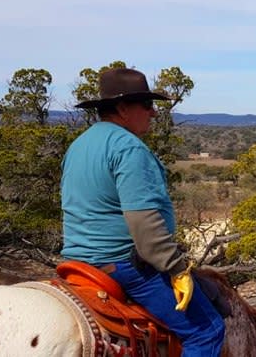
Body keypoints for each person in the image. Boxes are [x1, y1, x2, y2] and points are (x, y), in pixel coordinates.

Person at [61, 68, 225, 356]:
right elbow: (144, 223)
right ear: (123, 108)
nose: (154, 113)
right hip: (123, 264)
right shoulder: (129, 148)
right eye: (147, 105)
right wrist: (176, 268)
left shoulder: (79, 145)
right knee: (207, 331)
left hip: (77, 261)